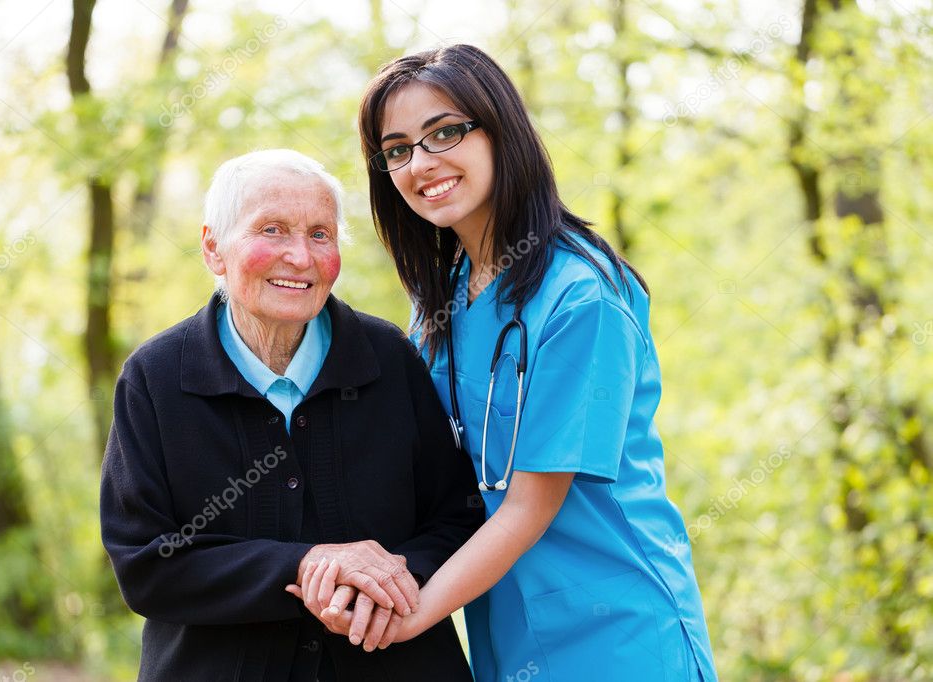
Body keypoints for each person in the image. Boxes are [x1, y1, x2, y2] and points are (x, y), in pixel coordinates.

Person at [293, 44, 719, 681]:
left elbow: (529, 505)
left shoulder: (581, 297)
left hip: (619, 633)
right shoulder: (443, 301)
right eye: (398, 148)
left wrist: (406, 617)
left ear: (502, 131)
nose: (421, 164)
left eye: (444, 133)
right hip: (507, 628)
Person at [99, 149, 483, 681]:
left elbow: (458, 517)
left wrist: (387, 582)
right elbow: (146, 564)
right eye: (273, 230)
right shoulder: (156, 377)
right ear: (214, 248)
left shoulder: (390, 358)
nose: (301, 257)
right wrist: (306, 566)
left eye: (321, 234)